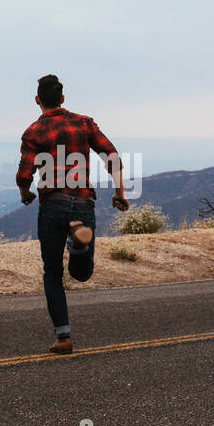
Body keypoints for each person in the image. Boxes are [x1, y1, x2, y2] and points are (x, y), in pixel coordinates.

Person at [16, 74, 129, 353]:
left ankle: (63, 337)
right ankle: (78, 248)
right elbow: (111, 156)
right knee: (82, 274)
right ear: (63, 99)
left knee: (52, 272)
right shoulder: (85, 123)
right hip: (83, 202)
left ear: (37, 100)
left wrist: (25, 193)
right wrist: (119, 192)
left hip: (53, 203)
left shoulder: (33, 132)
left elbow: (24, 174)